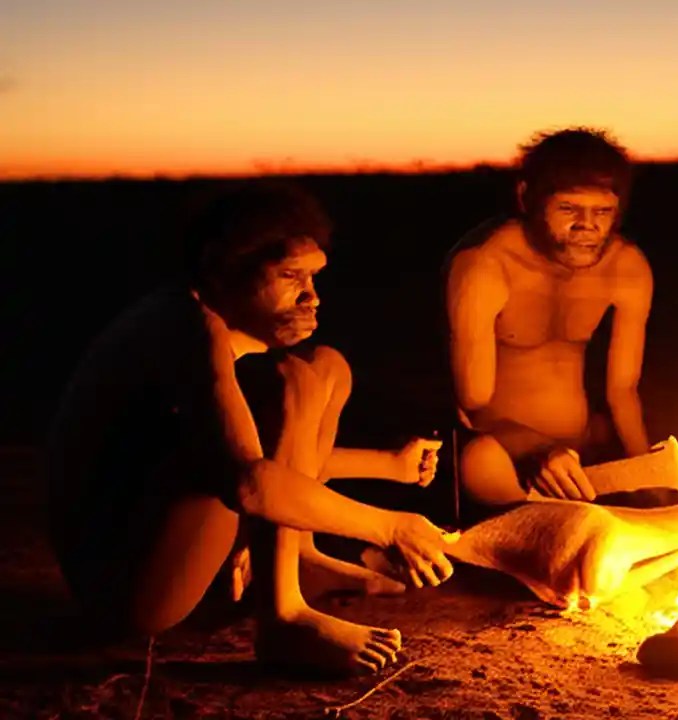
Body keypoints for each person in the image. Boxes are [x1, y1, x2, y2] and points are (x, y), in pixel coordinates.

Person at [46, 180, 455, 675]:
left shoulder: (209, 319)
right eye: (290, 276)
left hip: (162, 535)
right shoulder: (188, 327)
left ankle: (297, 557)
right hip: (127, 585)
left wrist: (388, 466)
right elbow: (248, 481)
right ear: (224, 271)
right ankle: (283, 616)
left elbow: (263, 459)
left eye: (314, 278)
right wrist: (389, 525)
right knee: (293, 380)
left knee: (325, 366)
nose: (312, 297)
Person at [444, 127, 655, 509]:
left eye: (602, 212)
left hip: (581, 450)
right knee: (478, 461)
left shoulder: (626, 267)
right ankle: (537, 523)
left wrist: (651, 476)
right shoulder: (485, 265)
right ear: (527, 198)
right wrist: (539, 450)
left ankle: (579, 521)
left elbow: (622, 392)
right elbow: (474, 405)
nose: (586, 227)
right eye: (568, 209)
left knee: (650, 464)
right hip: (507, 451)